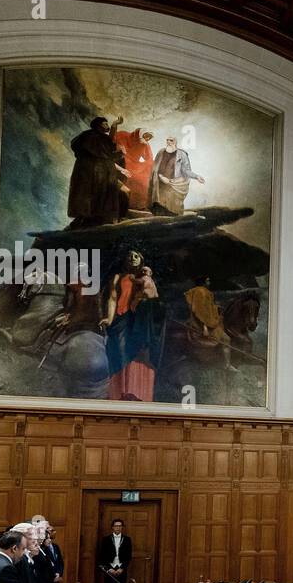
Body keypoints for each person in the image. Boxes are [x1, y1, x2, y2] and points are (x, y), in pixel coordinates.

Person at [103, 250, 165, 403]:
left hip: (140, 321)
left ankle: (140, 393)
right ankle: (118, 393)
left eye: (136, 256)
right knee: (119, 352)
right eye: (129, 256)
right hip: (121, 319)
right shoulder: (118, 277)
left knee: (141, 355)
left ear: (142, 260)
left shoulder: (145, 279)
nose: (132, 258)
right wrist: (110, 318)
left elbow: (154, 299)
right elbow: (112, 298)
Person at [67, 116, 129, 228]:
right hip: (95, 174)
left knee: (96, 197)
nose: (107, 126)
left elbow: (106, 146)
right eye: (105, 124)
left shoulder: (91, 136)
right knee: (94, 197)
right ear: (99, 125)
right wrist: (121, 153)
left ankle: (92, 218)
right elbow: (106, 154)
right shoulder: (94, 137)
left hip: (94, 173)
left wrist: (115, 125)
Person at [149, 136, 205, 216]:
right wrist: (161, 177)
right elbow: (155, 167)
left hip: (174, 184)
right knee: (160, 208)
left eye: (171, 140)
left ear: (175, 142)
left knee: (173, 209)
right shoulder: (161, 152)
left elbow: (186, 170)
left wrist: (196, 177)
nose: (168, 142)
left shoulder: (182, 154)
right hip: (160, 184)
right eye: (167, 140)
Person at [98, 519, 133, 583]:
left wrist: (122, 568)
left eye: (120, 526)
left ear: (122, 527)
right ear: (112, 527)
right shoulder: (106, 539)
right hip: (110, 569)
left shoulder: (127, 539)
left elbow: (128, 556)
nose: (118, 528)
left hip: (121, 569)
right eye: (116, 526)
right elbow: (102, 556)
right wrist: (109, 568)